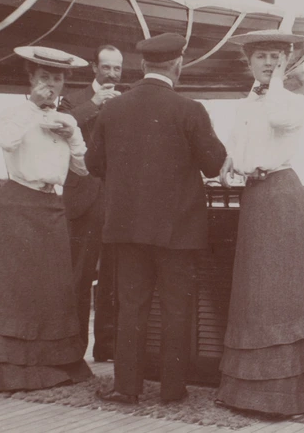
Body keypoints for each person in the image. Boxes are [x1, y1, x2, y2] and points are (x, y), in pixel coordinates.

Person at [87, 33, 227, 405]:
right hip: (177, 230)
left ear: (142, 65)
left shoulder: (112, 109)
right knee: (176, 308)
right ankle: (172, 388)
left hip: (126, 228)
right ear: (177, 65)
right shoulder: (190, 109)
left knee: (130, 306)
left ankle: (126, 388)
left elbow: (93, 164)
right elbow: (213, 162)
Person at [216, 29, 304, 416]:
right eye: (261, 57)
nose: (269, 64)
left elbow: (277, 118)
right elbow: (240, 148)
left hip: (282, 196)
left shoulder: (291, 100)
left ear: (286, 62)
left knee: (283, 293)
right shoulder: (244, 105)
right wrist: (229, 164)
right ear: (249, 62)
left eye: (276, 57)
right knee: (256, 293)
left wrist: (273, 84)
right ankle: (247, 393)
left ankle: (290, 395)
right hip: (254, 198)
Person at [0, 46, 93, 391]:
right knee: (14, 290)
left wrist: (72, 135)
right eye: (44, 77)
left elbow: (84, 167)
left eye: (57, 78)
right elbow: (6, 140)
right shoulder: (14, 113)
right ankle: (5, 372)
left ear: (65, 83)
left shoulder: (69, 119)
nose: (51, 84)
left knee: (50, 290)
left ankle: (50, 367)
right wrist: (35, 110)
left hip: (52, 207)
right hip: (17, 205)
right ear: (31, 78)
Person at [58, 44, 123, 362]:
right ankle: (73, 350)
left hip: (114, 202)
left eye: (117, 69)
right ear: (94, 68)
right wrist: (96, 103)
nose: (112, 74)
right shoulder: (74, 99)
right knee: (79, 278)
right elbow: (61, 125)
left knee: (112, 278)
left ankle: (106, 348)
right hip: (82, 201)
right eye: (107, 67)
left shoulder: (126, 102)